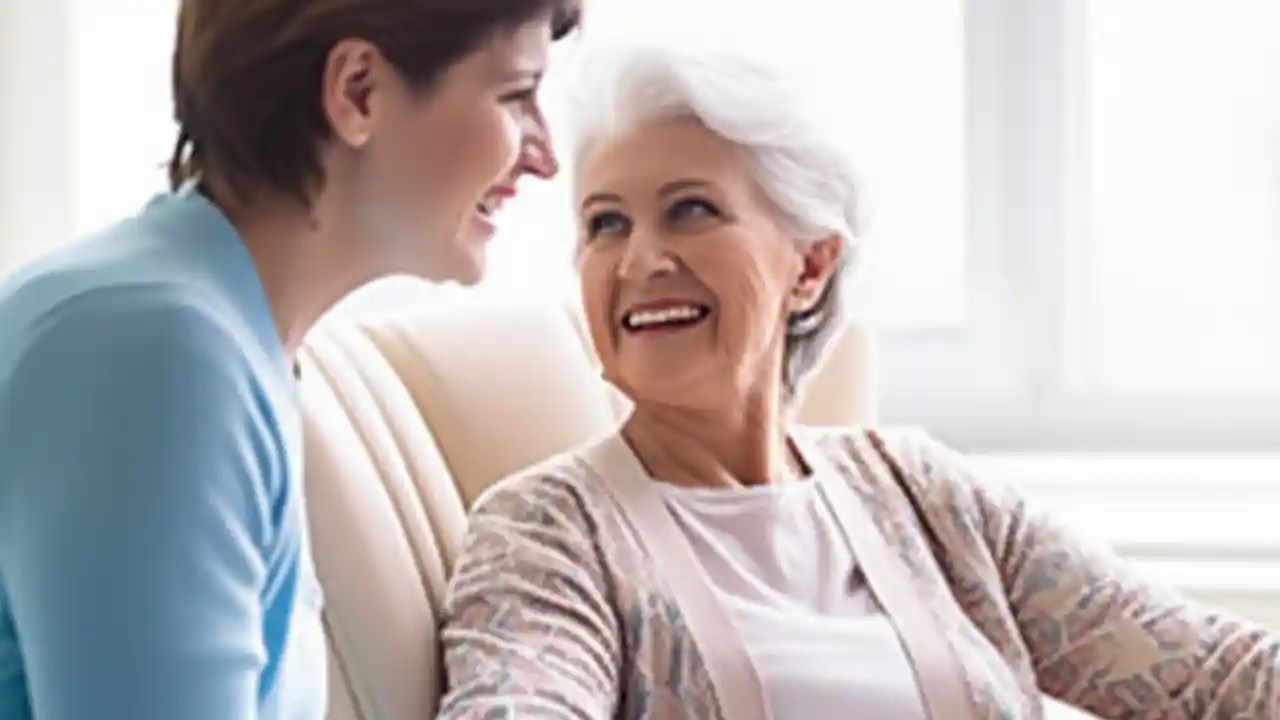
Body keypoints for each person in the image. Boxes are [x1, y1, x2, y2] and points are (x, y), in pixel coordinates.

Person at [438, 45, 1280, 719]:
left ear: (810, 265)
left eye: (691, 209)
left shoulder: (927, 494)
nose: (640, 261)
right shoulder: (544, 531)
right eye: (605, 224)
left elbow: (1205, 673)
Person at [0, 1, 578, 718]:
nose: (546, 154)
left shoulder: (216, 335)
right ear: (357, 90)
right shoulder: (153, 358)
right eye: (516, 95)